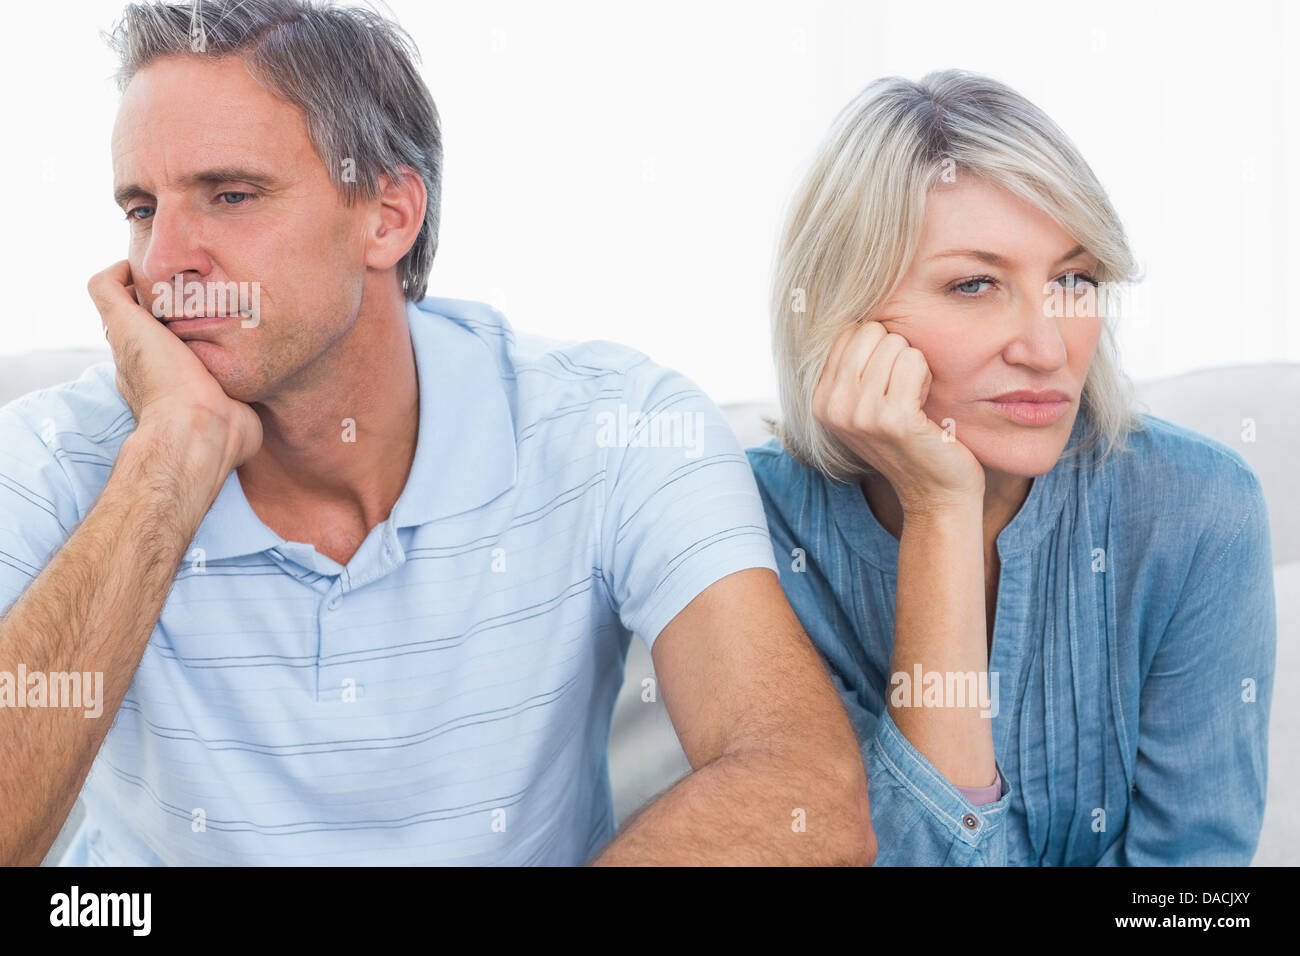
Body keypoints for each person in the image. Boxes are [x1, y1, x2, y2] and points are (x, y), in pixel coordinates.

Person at [0, 0, 872, 866]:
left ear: (388, 216)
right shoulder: (51, 455)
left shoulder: (617, 428)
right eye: (142, 208)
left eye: (230, 195)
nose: (161, 263)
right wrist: (166, 464)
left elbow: (807, 791)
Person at [746, 69, 1276, 865]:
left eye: (1073, 280)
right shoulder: (748, 529)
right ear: (840, 311)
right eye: (975, 284)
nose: (1047, 347)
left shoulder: (1196, 509)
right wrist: (941, 513)